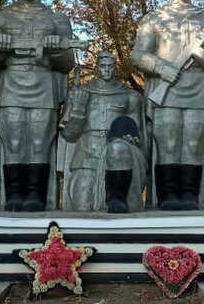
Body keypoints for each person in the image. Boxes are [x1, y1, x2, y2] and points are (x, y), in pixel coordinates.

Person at [130, 0, 204, 210]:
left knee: (193, 144)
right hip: (166, 88)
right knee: (168, 143)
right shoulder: (155, 18)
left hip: (197, 90)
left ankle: (190, 197)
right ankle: (168, 197)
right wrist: (162, 68)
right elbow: (138, 55)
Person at [0, 0, 74, 212]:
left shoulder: (56, 19)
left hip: (43, 83)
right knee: (13, 142)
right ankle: (13, 196)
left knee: (38, 142)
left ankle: (35, 196)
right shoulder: (1, 18)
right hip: (12, 83)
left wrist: (55, 49)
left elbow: (67, 64)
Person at [59, 51, 146, 213]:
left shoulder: (130, 96)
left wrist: (130, 139)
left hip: (118, 159)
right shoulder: (79, 93)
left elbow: (138, 135)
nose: (107, 70)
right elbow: (69, 135)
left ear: (115, 68)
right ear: (96, 68)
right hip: (86, 160)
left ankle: (116, 199)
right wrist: (78, 109)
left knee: (118, 206)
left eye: (110, 66)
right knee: (82, 206)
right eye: (103, 66)